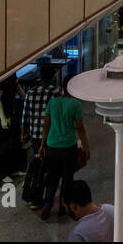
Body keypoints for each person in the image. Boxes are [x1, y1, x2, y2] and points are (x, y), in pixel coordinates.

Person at [37, 81, 89, 221]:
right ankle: (63, 206)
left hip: (52, 146)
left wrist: (42, 145)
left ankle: (47, 206)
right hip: (68, 147)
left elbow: (46, 125)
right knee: (67, 178)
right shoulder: (75, 104)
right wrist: (86, 147)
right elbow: (80, 128)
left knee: (52, 177)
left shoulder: (52, 102)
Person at [20, 65, 61, 174]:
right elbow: (58, 114)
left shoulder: (30, 92)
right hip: (51, 134)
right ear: (53, 76)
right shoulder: (56, 92)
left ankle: (37, 180)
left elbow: (25, 115)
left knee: (38, 157)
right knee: (50, 161)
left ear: (40, 76)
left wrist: (23, 133)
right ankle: (45, 180)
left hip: (35, 134)